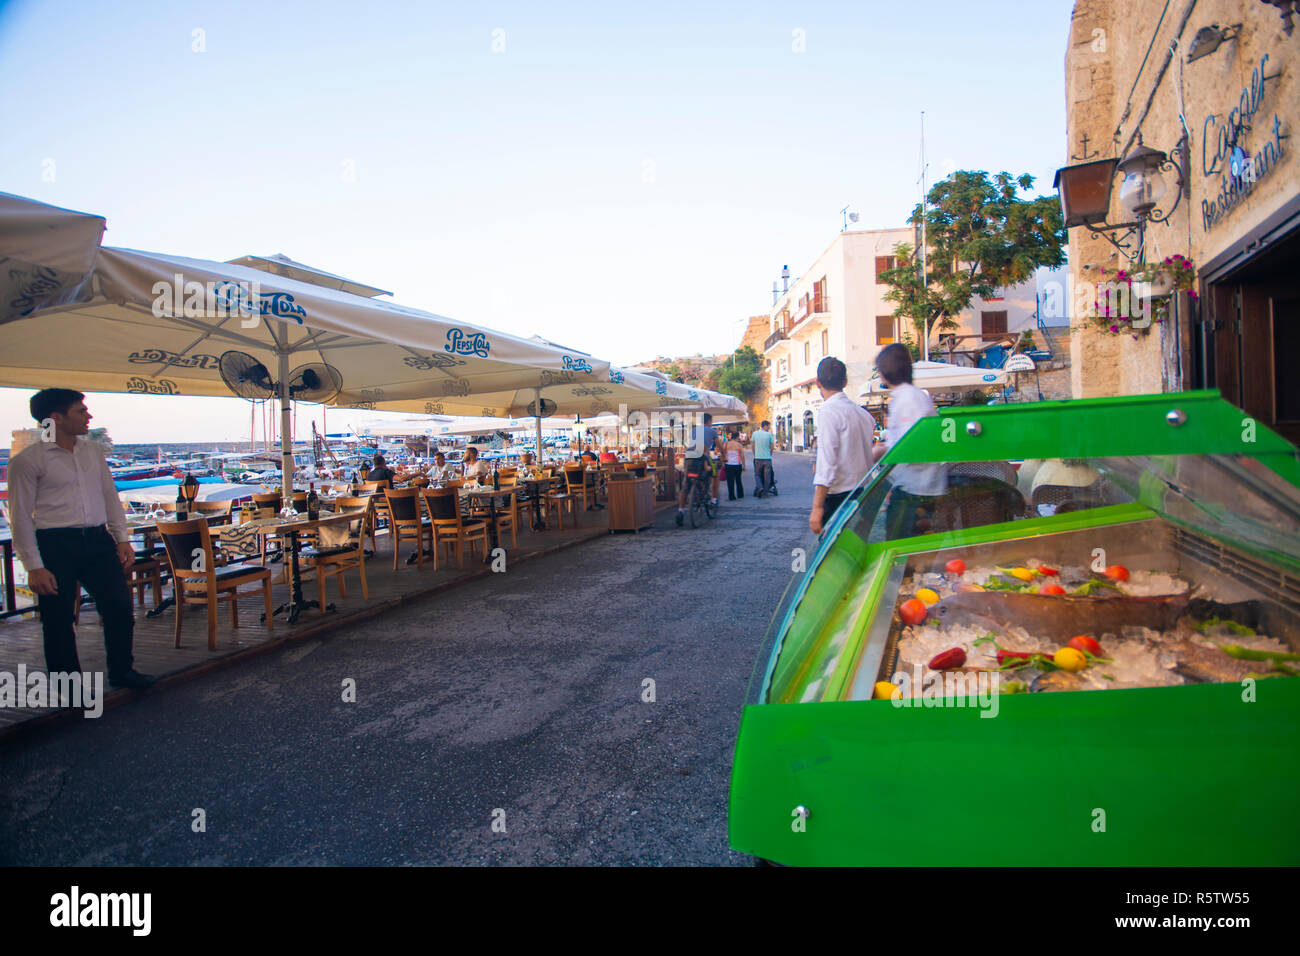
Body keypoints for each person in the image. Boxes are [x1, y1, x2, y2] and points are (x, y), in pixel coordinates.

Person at [6, 389, 155, 690]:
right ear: (56, 418)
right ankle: (67, 687)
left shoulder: (91, 452)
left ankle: (122, 671)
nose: (88, 416)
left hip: (97, 540)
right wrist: (33, 565)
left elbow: (109, 496)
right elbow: (20, 516)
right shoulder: (27, 461)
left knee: (118, 605)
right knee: (58, 619)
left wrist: (122, 538)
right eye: (80, 411)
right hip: (54, 543)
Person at [871, 343, 947, 538]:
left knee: (903, 548)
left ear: (885, 372)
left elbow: (914, 446)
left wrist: (883, 452)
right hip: (914, 487)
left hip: (916, 490)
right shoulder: (908, 397)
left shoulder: (909, 399)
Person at [810, 357, 877, 536]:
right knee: (854, 549)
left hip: (837, 498)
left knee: (833, 555)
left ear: (818, 382)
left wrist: (817, 507)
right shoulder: (864, 415)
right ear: (845, 382)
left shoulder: (828, 411)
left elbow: (827, 461)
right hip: (863, 494)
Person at [676, 412, 725, 526]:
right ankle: (713, 500)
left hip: (689, 458)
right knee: (715, 474)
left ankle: (681, 511)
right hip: (703, 458)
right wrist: (724, 457)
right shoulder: (712, 431)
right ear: (709, 421)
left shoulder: (694, 430)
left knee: (686, 485)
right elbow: (720, 446)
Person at [751, 420, 775, 498]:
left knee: (757, 475)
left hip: (758, 458)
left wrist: (755, 454)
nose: (769, 428)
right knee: (767, 476)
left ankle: (760, 487)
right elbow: (772, 447)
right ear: (765, 426)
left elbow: (753, 446)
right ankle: (765, 492)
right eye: (768, 426)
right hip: (767, 458)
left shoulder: (754, 434)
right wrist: (770, 454)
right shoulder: (769, 435)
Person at [724, 429, 745, 500]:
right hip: (737, 464)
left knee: (730, 481)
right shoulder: (739, 445)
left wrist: (723, 462)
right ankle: (740, 494)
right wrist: (744, 465)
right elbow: (742, 456)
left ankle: (731, 496)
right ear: (737, 437)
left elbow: (723, 453)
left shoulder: (726, 444)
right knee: (738, 480)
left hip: (728, 464)